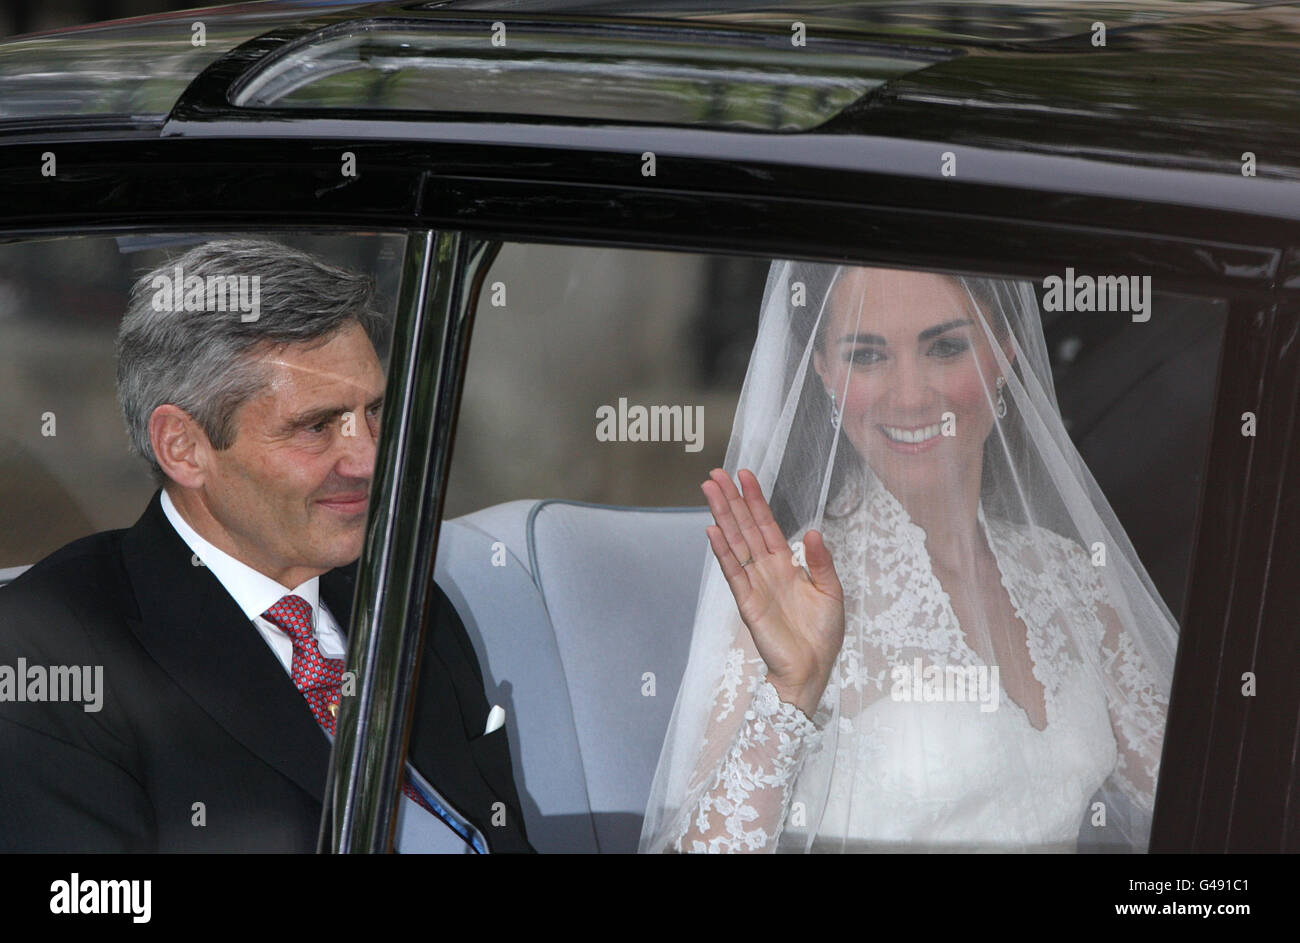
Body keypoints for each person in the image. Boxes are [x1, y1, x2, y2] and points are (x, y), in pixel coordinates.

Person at [0, 238, 533, 853]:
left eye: (375, 412)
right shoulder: (54, 646)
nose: (369, 458)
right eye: (316, 426)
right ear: (183, 447)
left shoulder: (395, 590)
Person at [640, 261, 1175, 853]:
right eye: (866, 356)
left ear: (1003, 353)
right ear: (824, 374)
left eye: (944, 348)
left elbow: (1204, 800)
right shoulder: (786, 596)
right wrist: (791, 693)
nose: (912, 395)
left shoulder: (1070, 575)